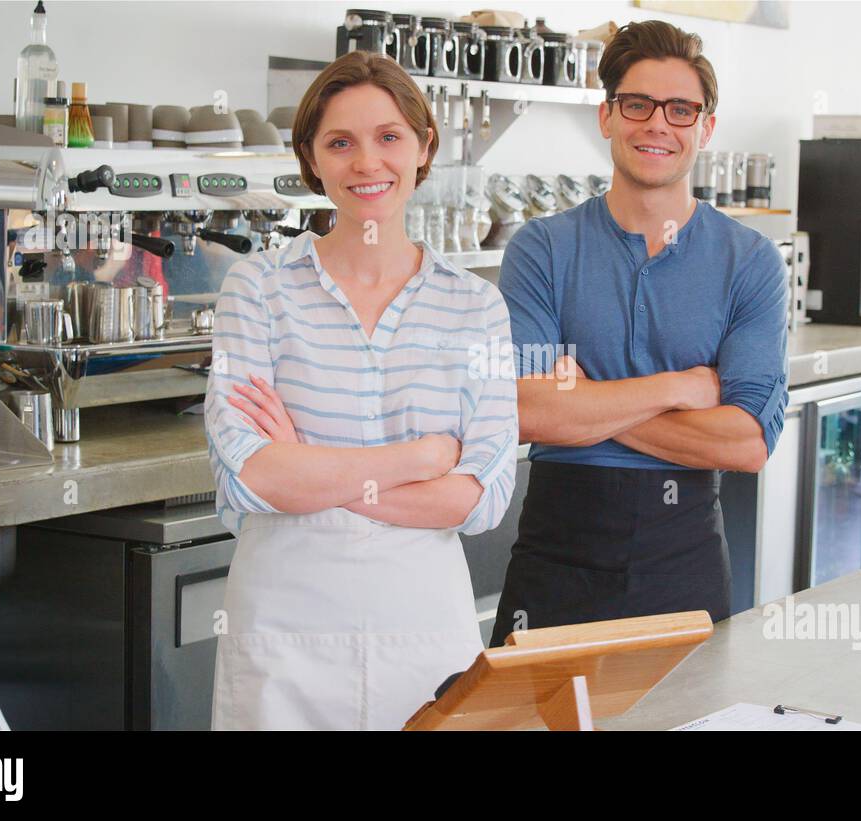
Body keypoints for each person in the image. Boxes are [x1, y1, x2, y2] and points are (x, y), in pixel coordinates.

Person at [204, 50, 517, 730]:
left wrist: (308, 467)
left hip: (424, 638)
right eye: (339, 143)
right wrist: (421, 458)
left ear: (424, 145)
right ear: (312, 158)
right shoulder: (257, 288)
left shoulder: (476, 308)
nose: (366, 163)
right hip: (284, 638)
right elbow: (249, 476)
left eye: (388, 137)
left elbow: (481, 496)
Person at [490, 20, 789, 646]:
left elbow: (746, 444)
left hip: (684, 559)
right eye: (638, 104)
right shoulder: (542, 248)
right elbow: (526, 411)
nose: (658, 124)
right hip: (556, 551)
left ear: (705, 128)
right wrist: (680, 386)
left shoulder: (751, 260)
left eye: (680, 110)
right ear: (607, 116)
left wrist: (587, 400)